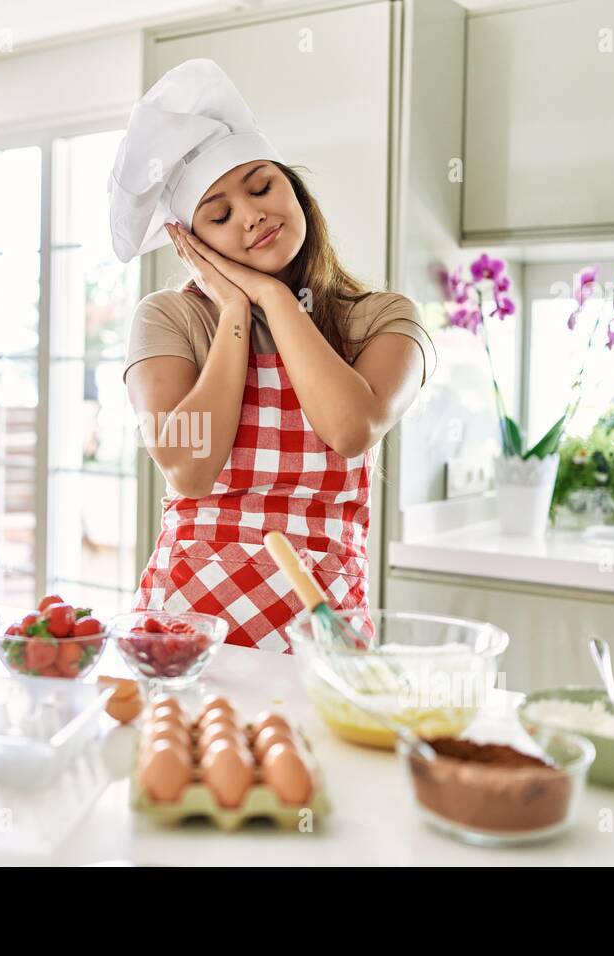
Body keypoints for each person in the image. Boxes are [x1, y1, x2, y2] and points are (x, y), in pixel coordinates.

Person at [108, 59, 436, 652]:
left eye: (262, 187)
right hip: (189, 628)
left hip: (322, 625)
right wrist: (234, 313)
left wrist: (271, 296)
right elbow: (190, 468)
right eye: (220, 214)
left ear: (294, 188)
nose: (252, 214)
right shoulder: (170, 319)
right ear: (195, 242)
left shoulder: (383, 318)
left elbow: (350, 428)